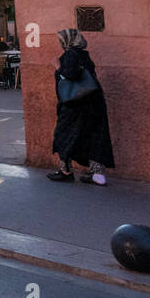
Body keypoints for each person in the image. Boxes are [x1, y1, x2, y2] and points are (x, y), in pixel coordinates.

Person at [48, 28, 114, 185]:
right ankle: (97, 174)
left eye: (61, 40)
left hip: (76, 106)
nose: (60, 43)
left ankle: (65, 171)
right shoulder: (84, 55)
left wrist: (57, 66)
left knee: (63, 134)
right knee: (93, 137)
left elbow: (71, 75)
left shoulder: (71, 54)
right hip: (94, 104)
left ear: (68, 41)